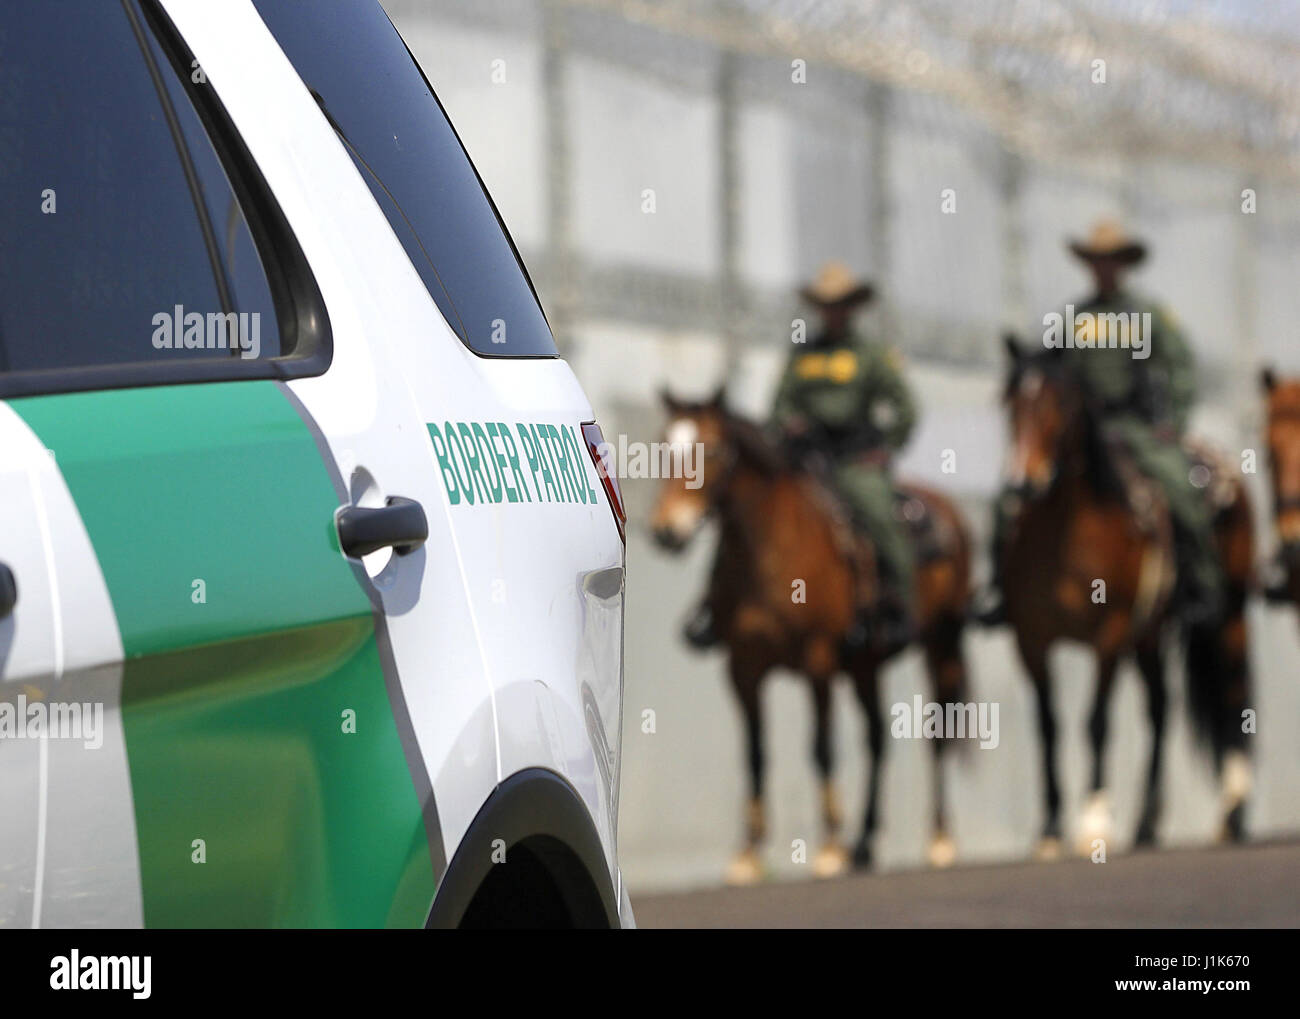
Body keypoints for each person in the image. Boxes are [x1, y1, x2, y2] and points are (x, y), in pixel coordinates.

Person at [974, 218, 1222, 626]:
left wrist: (1172, 424)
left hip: (1134, 428)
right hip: (1078, 433)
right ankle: (1001, 589)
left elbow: (1180, 369)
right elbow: (1043, 369)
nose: (1103, 268)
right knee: (1011, 496)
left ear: (1123, 264)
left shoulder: (1148, 315)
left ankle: (1200, 585)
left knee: (1179, 487)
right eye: (1097, 261)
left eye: (1111, 260)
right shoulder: (1072, 317)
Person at [683, 260, 918, 651]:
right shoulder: (802, 355)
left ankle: (899, 607)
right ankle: (713, 604)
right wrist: (787, 426)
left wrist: (884, 448)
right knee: (746, 513)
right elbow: (778, 407)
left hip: (854, 459)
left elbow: (906, 408)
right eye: (826, 304)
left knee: (875, 510)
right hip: (806, 457)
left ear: (852, 308)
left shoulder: (873, 355)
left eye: (840, 304)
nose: (833, 311)